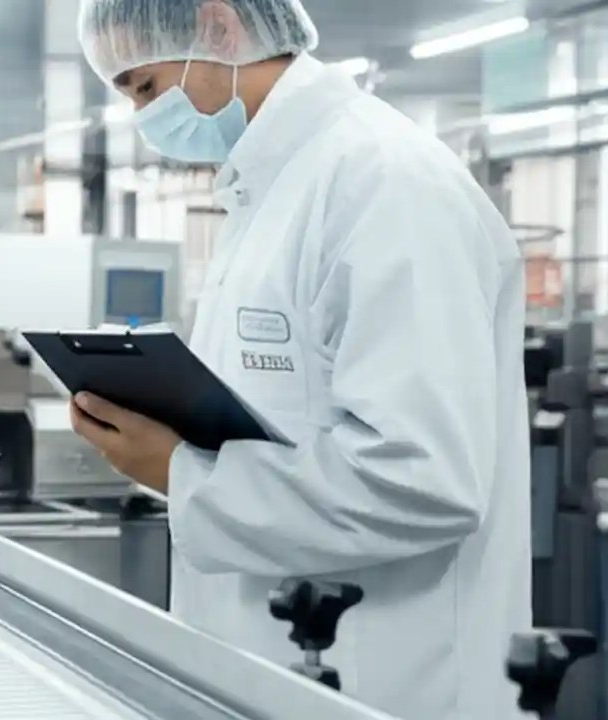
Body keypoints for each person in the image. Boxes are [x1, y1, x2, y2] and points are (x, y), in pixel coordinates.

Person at [71, 1, 531, 718]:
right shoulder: (275, 189)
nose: (142, 117)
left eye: (144, 86)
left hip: (389, 678)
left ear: (218, 28)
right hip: (273, 665)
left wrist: (180, 474)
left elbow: (425, 477)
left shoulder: (384, 181)